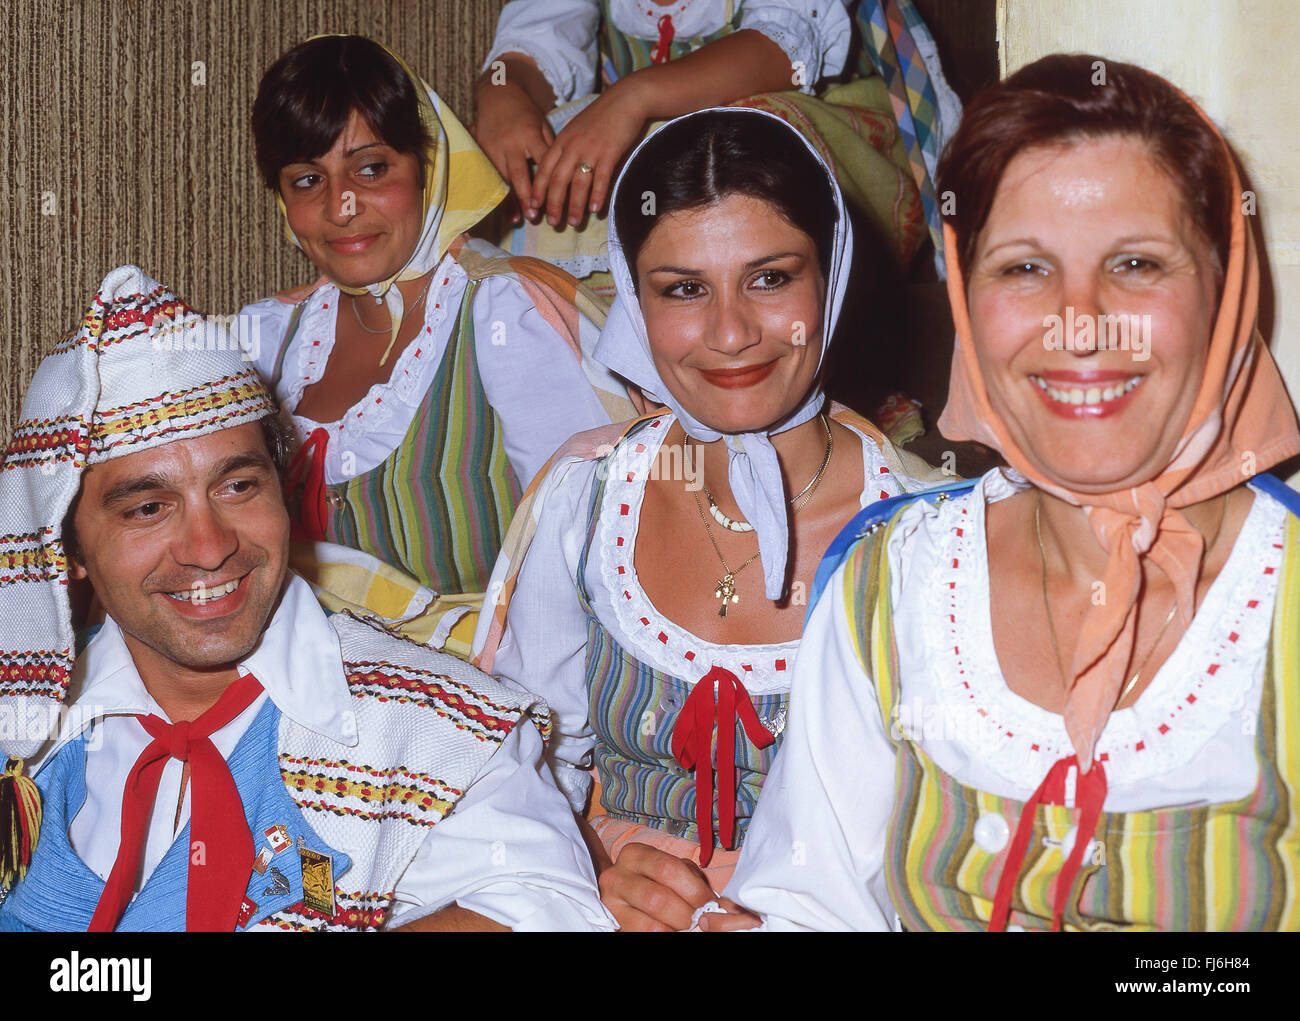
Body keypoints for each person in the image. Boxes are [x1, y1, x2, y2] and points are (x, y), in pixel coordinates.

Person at [725, 54, 1300, 931]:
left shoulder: (1284, 603)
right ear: (963, 297)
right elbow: (806, 903)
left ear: (1227, 294)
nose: (1078, 320)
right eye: (1024, 269)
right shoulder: (892, 586)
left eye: (1138, 262)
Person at [0, 266, 614, 932]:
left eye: (238, 487)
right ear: (69, 551)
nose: (208, 547)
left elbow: (543, 907)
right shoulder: (26, 733)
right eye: (149, 507)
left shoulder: (442, 737)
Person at [473, 108, 941, 931]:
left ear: (829, 278)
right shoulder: (586, 496)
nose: (731, 333)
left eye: (770, 277)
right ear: (633, 297)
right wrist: (585, 860)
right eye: (684, 288)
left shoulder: (926, 535)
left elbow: (961, 831)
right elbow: (514, 768)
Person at [240, 35, 637, 623]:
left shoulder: (505, 314)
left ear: (428, 169)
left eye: (370, 169)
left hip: (490, 690)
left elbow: (588, 563)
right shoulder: (267, 340)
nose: (341, 205)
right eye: (307, 180)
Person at [473, 0, 927, 294]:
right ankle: (605, 344)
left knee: (743, 136)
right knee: (532, 156)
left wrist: (634, 96)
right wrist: (504, 89)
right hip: (660, 143)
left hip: (817, 135)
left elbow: (780, 50)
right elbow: (534, 49)